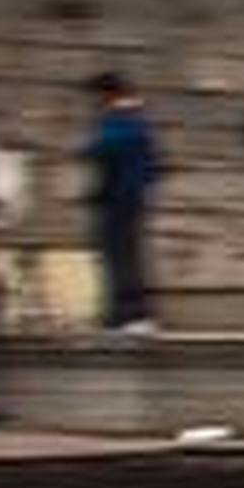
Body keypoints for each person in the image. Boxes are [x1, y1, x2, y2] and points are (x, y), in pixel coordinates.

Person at [78, 68, 162, 331]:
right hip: (119, 198)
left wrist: (89, 150)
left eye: (94, 95)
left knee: (122, 257)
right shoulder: (126, 116)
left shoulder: (124, 116)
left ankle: (133, 315)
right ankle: (119, 314)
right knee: (116, 256)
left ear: (106, 93)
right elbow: (150, 162)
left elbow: (109, 145)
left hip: (121, 200)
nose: (91, 102)